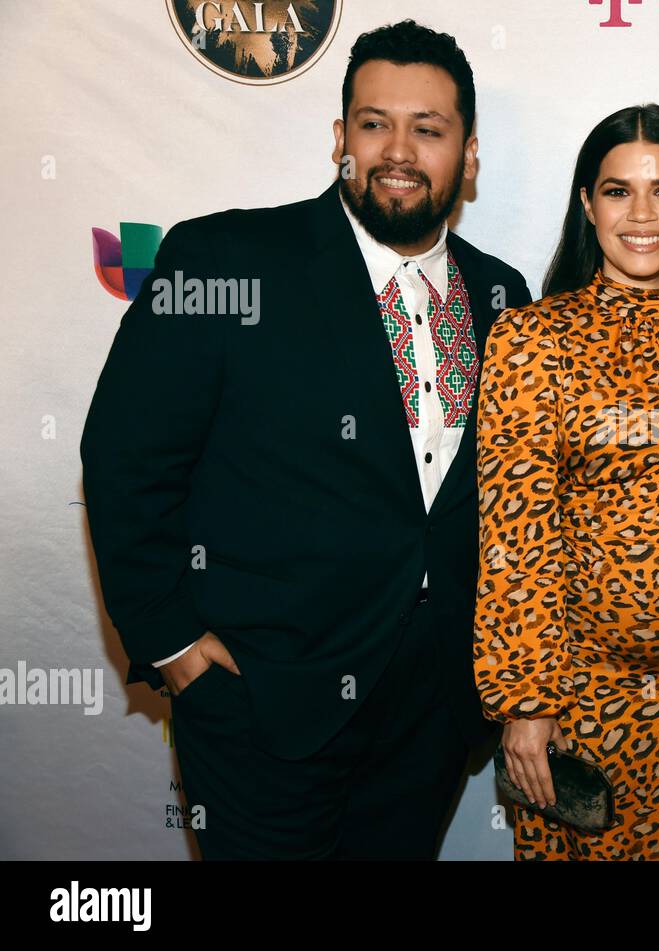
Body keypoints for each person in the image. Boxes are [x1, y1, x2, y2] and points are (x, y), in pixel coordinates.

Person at [80, 20, 531, 859]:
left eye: (428, 130)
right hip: (264, 703)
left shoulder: (502, 293)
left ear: (467, 156)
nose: (398, 150)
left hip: (429, 713)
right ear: (340, 140)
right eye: (374, 123)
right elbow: (124, 458)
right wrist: (173, 643)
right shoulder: (226, 260)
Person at [473, 104, 659, 859]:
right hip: (583, 702)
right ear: (585, 203)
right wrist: (524, 702)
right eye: (617, 191)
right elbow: (515, 529)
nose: (642, 214)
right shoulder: (533, 338)